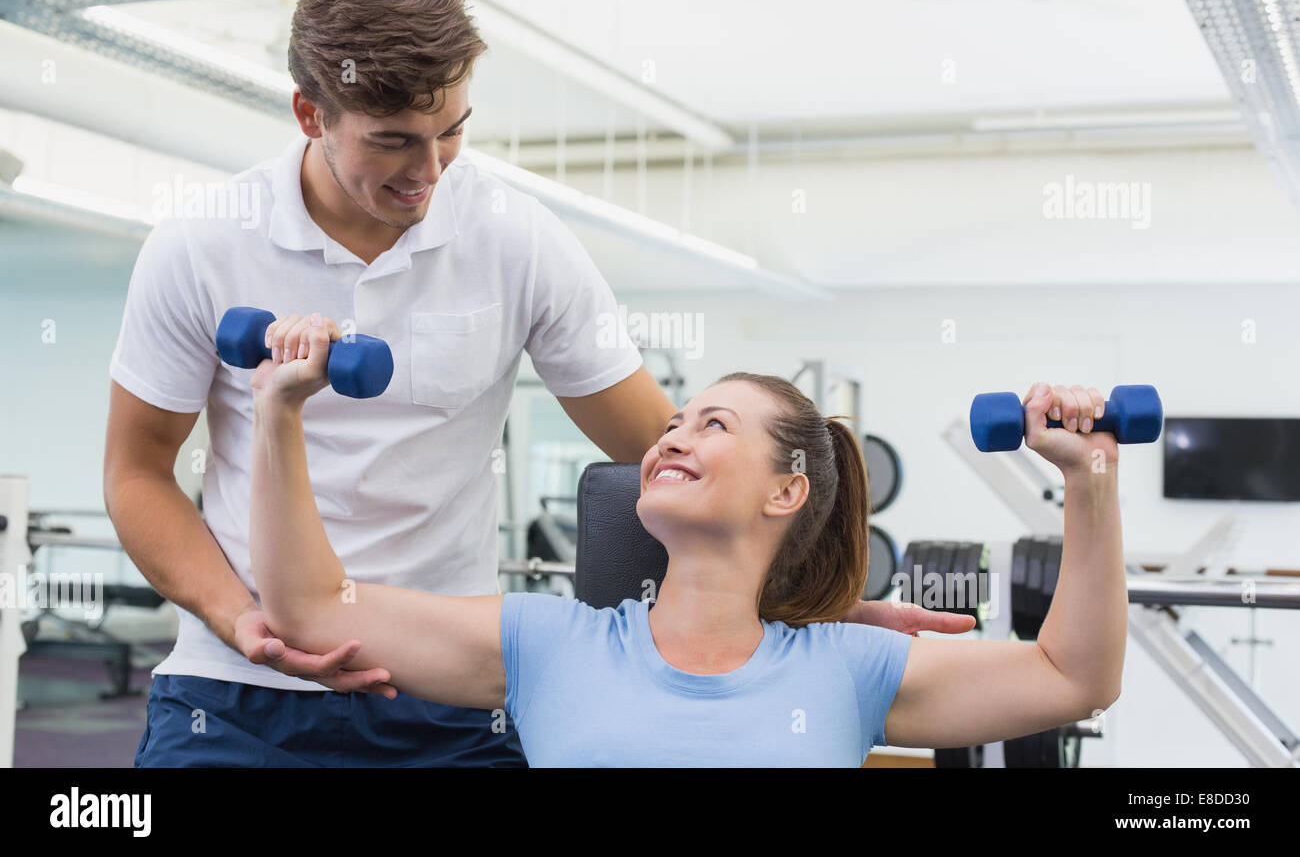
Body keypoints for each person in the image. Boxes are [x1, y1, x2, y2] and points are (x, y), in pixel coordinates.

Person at [104, 0, 967, 768]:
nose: (430, 171)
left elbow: (662, 457)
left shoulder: (514, 241)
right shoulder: (202, 244)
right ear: (310, 113)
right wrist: (241, 617)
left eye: (452, 132)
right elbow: (138, 471)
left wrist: (803, 607)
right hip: (238, 685)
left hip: (441, 688)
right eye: (395, 140)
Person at [245, 313, 1126, 766]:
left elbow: (1074, 677)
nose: (670, 438)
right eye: (673, 423)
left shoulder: (848, 667)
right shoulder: (547, 643)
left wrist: (1089, 478)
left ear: (789, 489)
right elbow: (313, 609)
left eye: (713, 425)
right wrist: (276, 408)